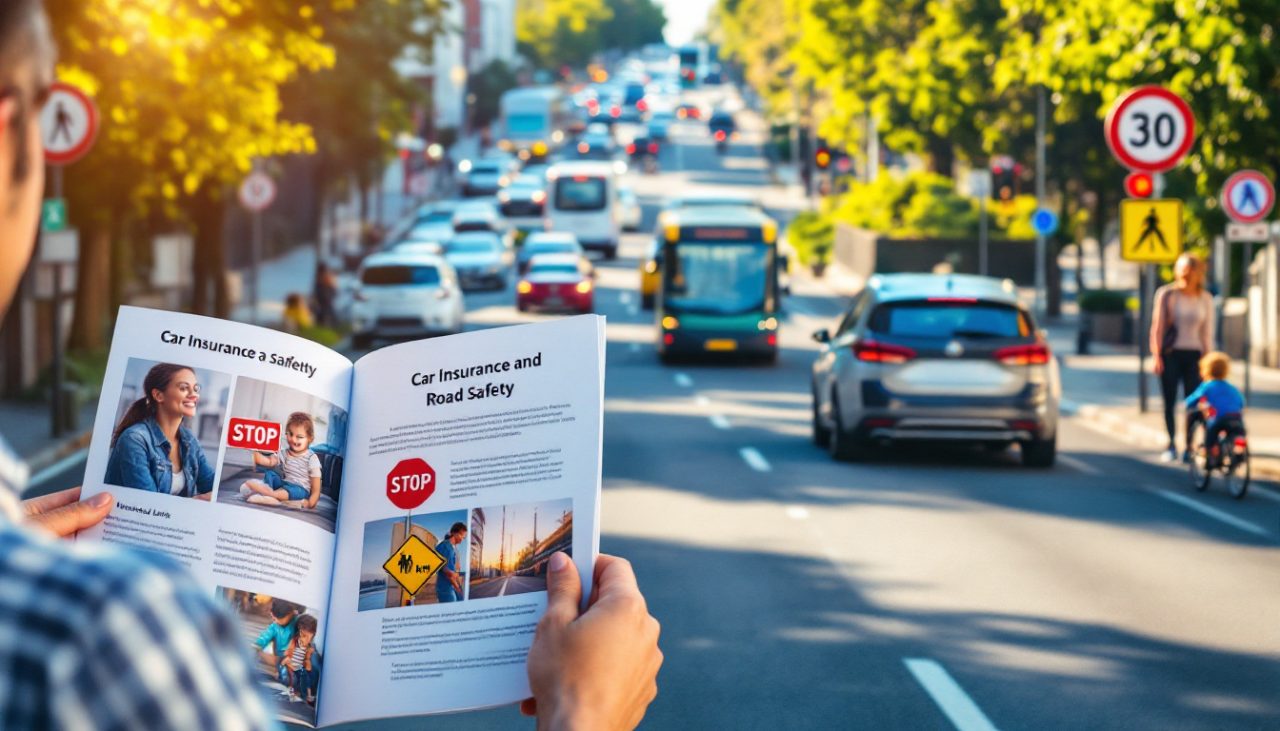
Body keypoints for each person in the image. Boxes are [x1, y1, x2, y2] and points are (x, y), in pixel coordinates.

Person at [0, 3, 660, 728]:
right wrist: (584, 710)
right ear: (10, 132)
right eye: (45, 105)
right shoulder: (104, 636)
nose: (192, 395)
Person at [103, 362, 216, 499]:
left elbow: (212, 487)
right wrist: (198, 500)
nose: (194, 395)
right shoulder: (135, 439)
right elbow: (147, 504)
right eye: (184, 388)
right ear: (158, 395)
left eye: (196, 388)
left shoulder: (189, 440)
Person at [1150, 252, 1214, 463]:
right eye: (1183, 269)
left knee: (1193, 403)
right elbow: (1158, 328)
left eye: (1191, 269)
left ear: (1198, 272)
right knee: (1169, 401)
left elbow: (1207, 333)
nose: (1187, 273)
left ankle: (1189, 445)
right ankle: (1170, 443)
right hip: (1171, 354)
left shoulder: (1205, 298)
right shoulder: (1167, 294)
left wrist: (1209, 362)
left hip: (1195, 356)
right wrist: (1157, 355)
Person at [239, 411, 323, 508]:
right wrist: (257, 456)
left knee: (293, 490)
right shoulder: (284, 453)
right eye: (290, 434)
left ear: (310, 438)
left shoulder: (312, 458)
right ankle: (268, 492)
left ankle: (271, 495)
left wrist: (311, 503)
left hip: (301, 490)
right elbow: (271, 461)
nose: (293, 439)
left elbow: (316, 488)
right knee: (271, 474)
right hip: (284, 484)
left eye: (299, 437)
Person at [1184, 352, 1246, 464]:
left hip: (1218, 419)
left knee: (1210, 437)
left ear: (1206, 369)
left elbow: (1190, 401)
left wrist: (1194, 405)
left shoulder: (1207, 386)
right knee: (1239, 433)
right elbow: (1241, 402)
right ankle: (1239, 451)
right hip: (1236, 418)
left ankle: (1211, 457)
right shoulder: (1231, 387)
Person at [254, 598, 300, 686]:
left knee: (290, 676)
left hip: (293, 656)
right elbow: (265, 636)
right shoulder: (275, 626)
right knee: (281, 670)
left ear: (290, 614)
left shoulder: (297, 622)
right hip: (280, 656)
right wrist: (258, 644)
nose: (275, 621)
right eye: (274, 618)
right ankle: (280, 674)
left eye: (277, 619)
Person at [282, 613, 319, 704]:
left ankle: (307, 696)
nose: (308, 640)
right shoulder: (293, 643)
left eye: (312, 637)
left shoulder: (310, 648)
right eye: (305, 636)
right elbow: (287, 655)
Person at [435, 521, 467, 603]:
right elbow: (448, 573)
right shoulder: (446, 547)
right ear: (455, 533)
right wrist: (458, 588)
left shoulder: (452, 548)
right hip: (446, 588)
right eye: (462, 536)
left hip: (450, 587)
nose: (462, 539)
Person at [311, 262, 338, 328]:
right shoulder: (325, 277)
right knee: (326, 312)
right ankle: (327, 325)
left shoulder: (324, 277)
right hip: (325, 299)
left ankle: (327, 325)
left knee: (326, 312)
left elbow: (333, 289)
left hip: (325, 298)